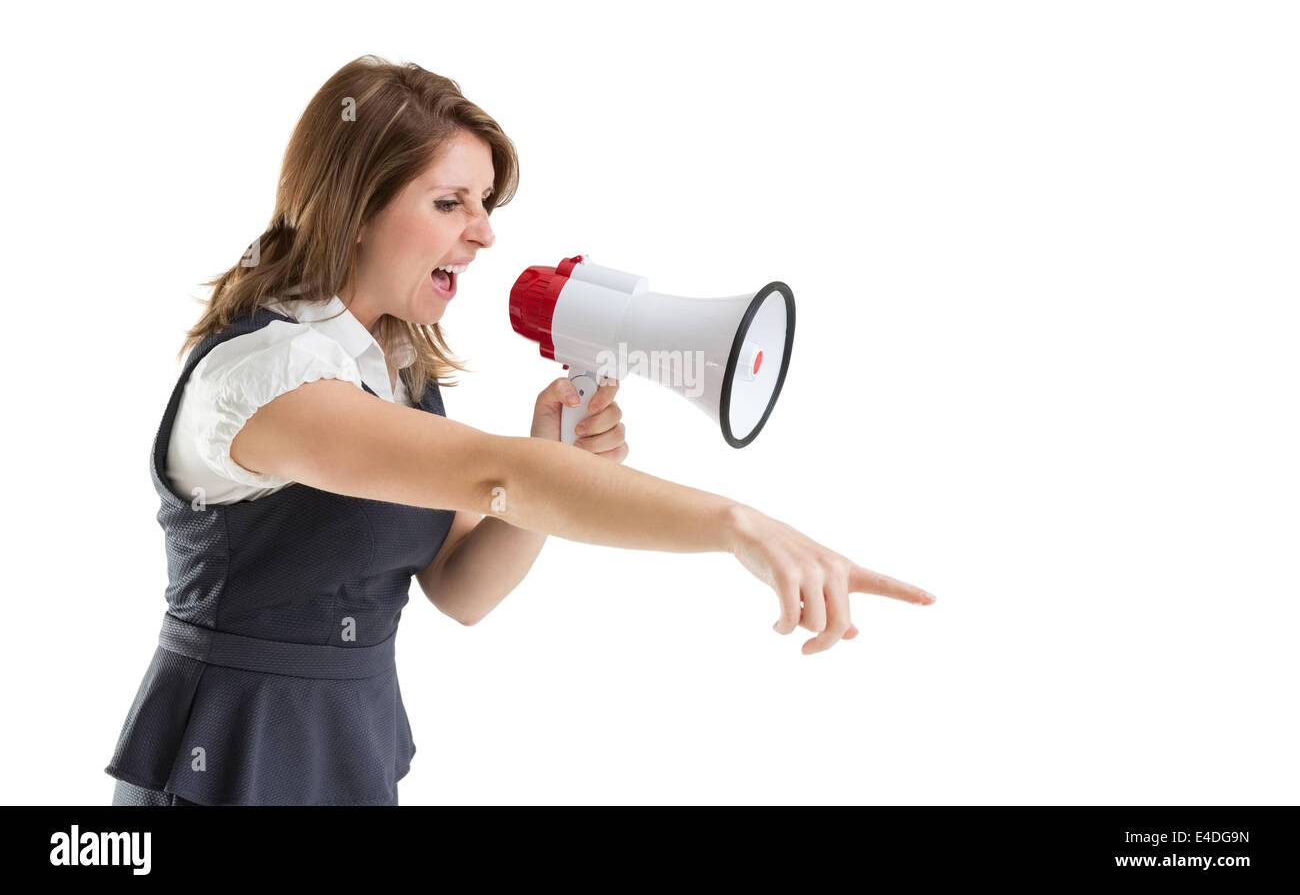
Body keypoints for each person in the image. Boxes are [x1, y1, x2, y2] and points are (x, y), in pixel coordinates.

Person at [105, 54, 937, 806]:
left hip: (348, 748)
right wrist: (737, 525)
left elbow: (461, 590)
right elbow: (491, 475)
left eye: (485, 203)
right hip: (232, 758)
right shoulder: (268, 378)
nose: (485, 231)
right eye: (449, 202)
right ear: (354, 209)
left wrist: (549, 456)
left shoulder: (393, 370)